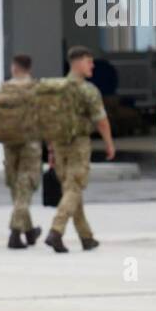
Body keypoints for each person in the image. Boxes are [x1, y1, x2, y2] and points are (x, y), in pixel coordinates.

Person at [40, 47, 116, 253]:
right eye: (89, 61)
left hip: (58, 143)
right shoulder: (87, 90)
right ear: (78, 62)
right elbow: (101, 120)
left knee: (71, 189)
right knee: (74, 188)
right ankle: (56, 231)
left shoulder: (56, 88)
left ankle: (86, 237)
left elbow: (48, 120)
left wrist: (51, 149)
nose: (92, 66)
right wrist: (109, 143)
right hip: (78, 144)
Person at [0, 54, 43, 249]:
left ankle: (29, 231)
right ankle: (15, 232)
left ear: (14, 68)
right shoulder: (34, 88)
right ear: (29, 68)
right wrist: (51, 147)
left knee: (16, 188)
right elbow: (45, 118)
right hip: (30, 143)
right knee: (25, 187)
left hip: (8, 143)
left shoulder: (3, 88)